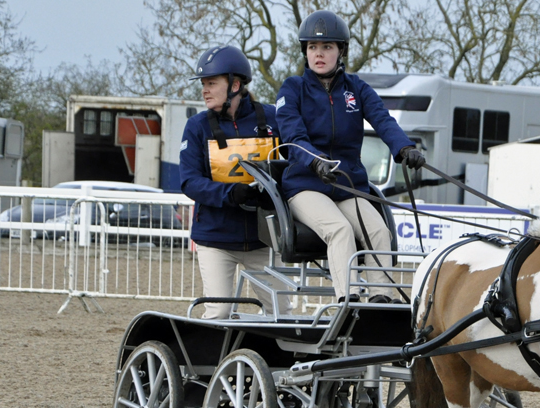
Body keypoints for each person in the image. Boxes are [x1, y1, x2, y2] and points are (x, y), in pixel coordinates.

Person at [275, 10, 425, 303]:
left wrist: (404, 148)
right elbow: (292, 136)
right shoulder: (292, 89)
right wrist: (315, 160)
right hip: (306, 184)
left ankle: (381, 300)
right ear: (305, 51)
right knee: (340, 231)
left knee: (380, 232)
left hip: (347, 185)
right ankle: (349, 300)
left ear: (340, 51)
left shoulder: (357, 88)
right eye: (313, 47)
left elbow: (383, 120)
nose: (319, 54)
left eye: (327, 47)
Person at [180, 45, 290, 319]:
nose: (205, 90)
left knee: (282, 312)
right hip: (216, 239)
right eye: (203, 84)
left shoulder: (273, 118)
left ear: (235, 85)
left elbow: (292, 165)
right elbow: (190, 181)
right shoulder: (196, 126)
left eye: (211, 83)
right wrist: (230, 193)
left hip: (264, 240)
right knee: (220, 311)